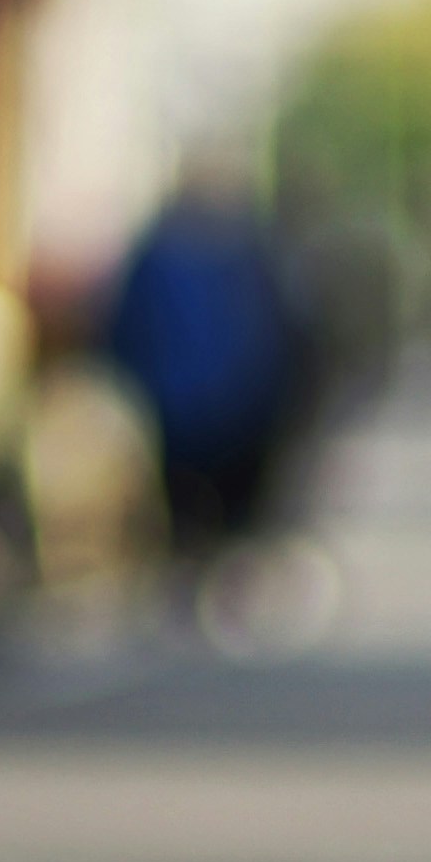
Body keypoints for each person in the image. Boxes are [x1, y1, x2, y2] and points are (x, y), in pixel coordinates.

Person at [97, 167, 309, 585]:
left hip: (177, 408)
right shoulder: (247, 255)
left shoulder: (158, 255)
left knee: (189, 506)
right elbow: (284, 332)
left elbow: (118, 330)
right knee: (225, 508)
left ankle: (196, 568)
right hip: (237, 408)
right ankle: (219, 573)